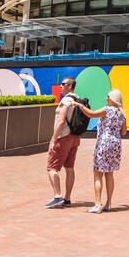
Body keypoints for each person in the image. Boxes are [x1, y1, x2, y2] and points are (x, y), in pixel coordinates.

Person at [79, 89, 127, 213]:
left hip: (103, 143)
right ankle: (108, 203)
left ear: (113, 99)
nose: (106, 98)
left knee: (98, 174)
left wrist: (79, 105)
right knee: (109, 174)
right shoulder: (122, 113)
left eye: (108, 97)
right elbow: (124, 132)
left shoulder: (107, 110)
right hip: (116, 144)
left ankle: (97, 204)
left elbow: (91, 114)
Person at [44, 77, 80, 209]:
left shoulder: (66, 101)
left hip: (63, 137)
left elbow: (60, 121)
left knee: (52, 168)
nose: (61, 86)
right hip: (75, 138)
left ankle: (57, 196)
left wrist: (53, 139)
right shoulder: (78, 99)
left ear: (70, 86)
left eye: (64, 84)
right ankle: (67, 198)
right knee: (69, 168)